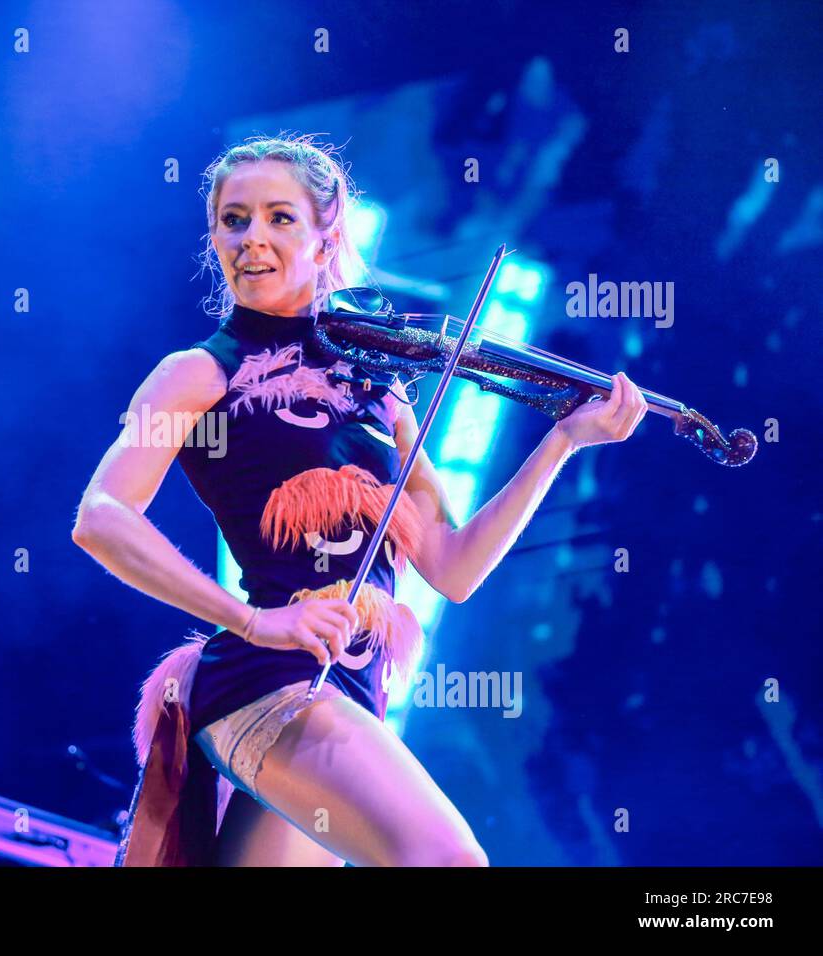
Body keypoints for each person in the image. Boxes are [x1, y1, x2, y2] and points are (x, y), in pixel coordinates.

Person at [72, 134, 646, 866]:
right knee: (450, 862)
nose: (251, 239)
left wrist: (562, 442)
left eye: (279, 217)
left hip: (349, 690)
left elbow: (453, 568)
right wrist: (254, 619)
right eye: (233, 219)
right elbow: (102, 518)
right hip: (270, 683)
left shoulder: (381, 388)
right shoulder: (199, 373)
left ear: (325, 234)